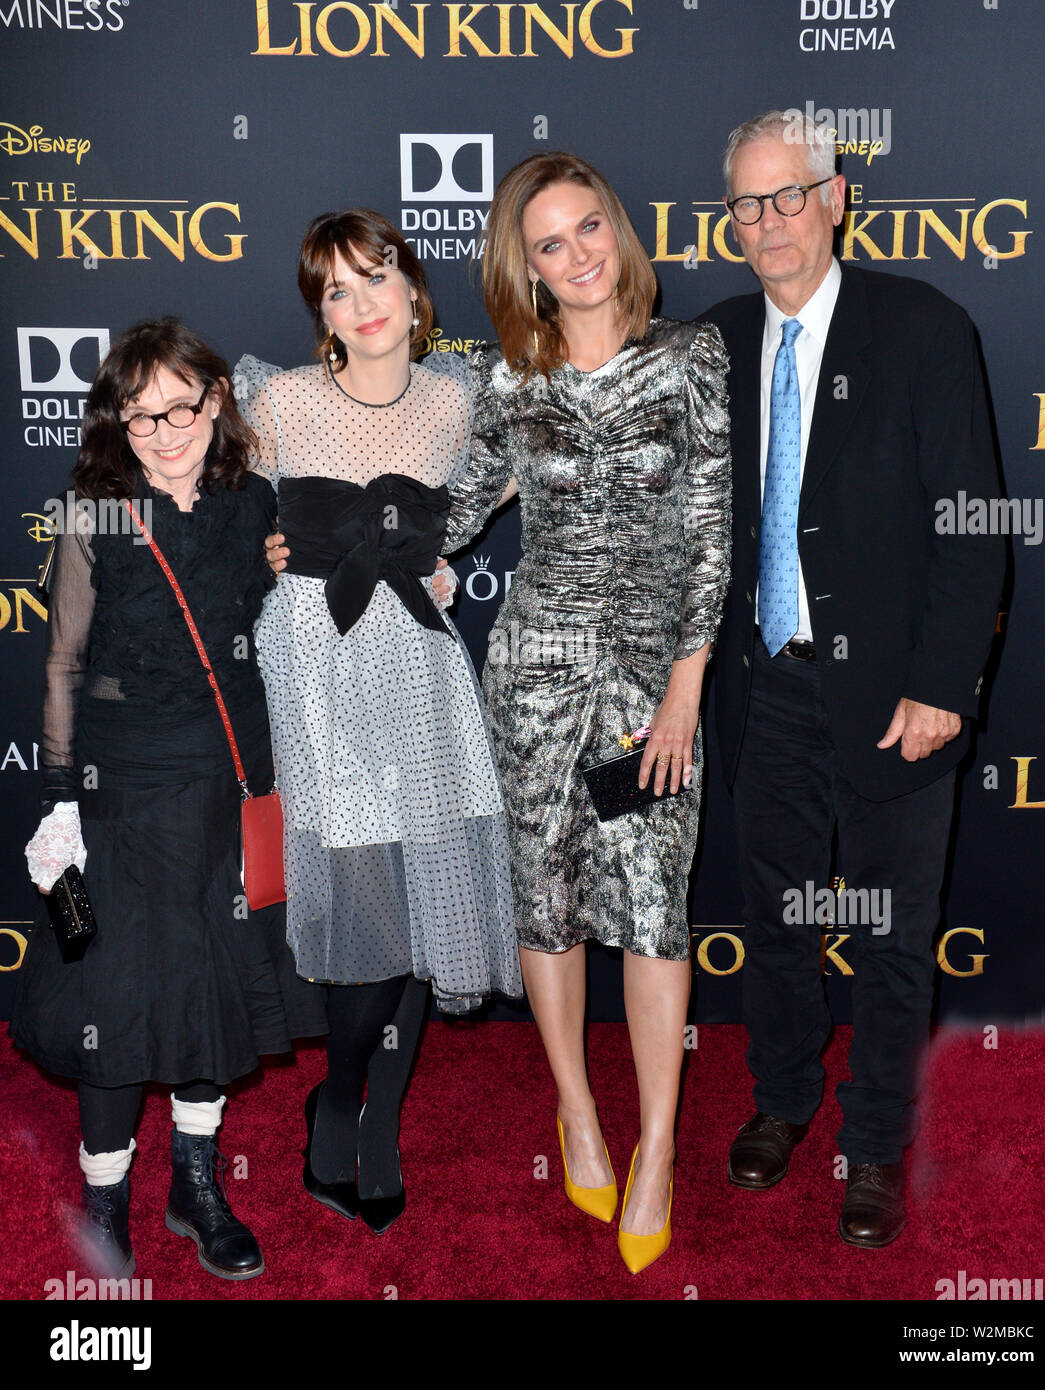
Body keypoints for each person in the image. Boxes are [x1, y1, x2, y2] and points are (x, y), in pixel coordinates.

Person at [698, 111, 1005, 1246]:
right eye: (745, 203)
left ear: (837, 197)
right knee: (777, 919)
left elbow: (972, 531)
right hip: (763, 686)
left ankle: (874, 1139)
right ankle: (782, 1101)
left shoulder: (924, 327)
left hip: (894, 700)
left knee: (888, 937)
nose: (767, 222)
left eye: (789, 195)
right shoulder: (713, 342)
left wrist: (939, 683)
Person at [441, 152, 731, 1273]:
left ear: (619, 225)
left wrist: (682, 692)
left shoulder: (690, 354)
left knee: (656, 906)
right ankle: (577, 1108)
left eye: (588, 226)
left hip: (653, 686)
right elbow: (452, 513)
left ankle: (656, 1144)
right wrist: (322, 527)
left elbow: (709, 532)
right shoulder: (508, 378)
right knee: (546, 898)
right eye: (547, 244)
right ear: (524, 267)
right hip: (535, 676)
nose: (577, 256)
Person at [10, 318, 326, 1282]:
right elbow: (61, 661)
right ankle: (105, 1194)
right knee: (116, 994)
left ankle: (196, 1181)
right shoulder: (92, 513)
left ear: (215, 400)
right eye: (137, 415)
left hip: (228, 780)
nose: (162, 429)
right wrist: (61, 800)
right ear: (116, 422)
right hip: (119, 789)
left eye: (180, 406)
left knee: (212, 985)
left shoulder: (253, 504)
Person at [239, 208, 521, 1233]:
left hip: (418, 661)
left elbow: (504, 487)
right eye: (335, 292)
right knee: (379, 909)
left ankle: (373, 1116)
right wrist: (259, 553)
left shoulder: (462, 401)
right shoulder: (281, 400)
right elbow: (221, 511)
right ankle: (343, 1100)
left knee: (425, 906)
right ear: (320, 316)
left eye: (375, 277)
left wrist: (445, 561)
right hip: (318, 668)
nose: (360, 305)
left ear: (412, 287)